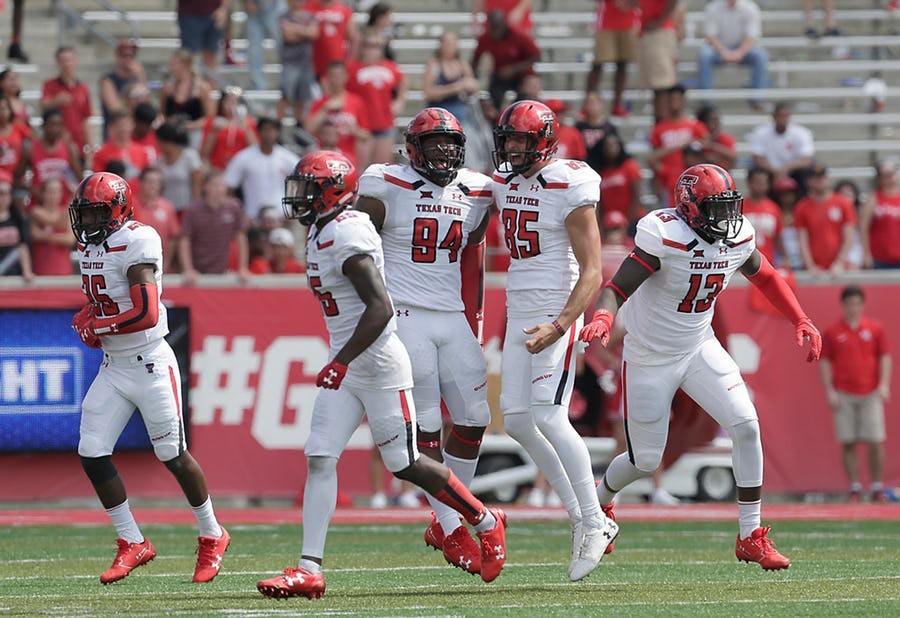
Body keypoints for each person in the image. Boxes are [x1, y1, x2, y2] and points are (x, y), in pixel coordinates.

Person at [256, 150, 507, 598]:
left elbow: (380, 307)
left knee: (405, 463)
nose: (299, 197)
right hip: (351, 363)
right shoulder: (321, 230)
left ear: (332, 191)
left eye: (308, 188)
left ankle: (485, 521)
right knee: (319, 456)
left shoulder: (348, 232)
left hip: (377, 362)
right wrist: (342, 360)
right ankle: (309, 567)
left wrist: (340, 360)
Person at [580, 163, 822, 570]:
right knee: (645, 461)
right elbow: (618, 285)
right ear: (689, 209)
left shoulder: (736, 235)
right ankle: (601, 502)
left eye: (729, 207)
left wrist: (801, 317)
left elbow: (765, 275)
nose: (727, 218)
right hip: (649, 356)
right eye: (715, 208)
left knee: (746, 424)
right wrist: (604, 317)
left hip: (697, 347)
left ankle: (750, 535)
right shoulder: (665, 235)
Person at [68, 172, 229, 584]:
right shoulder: (92, 247)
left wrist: (97, 326)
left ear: (118, 209)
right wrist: (90, 315)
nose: (87, 222)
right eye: (83, 214)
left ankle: (212, 534)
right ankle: (132, 541)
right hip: (115, 367)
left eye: (95, 213)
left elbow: (146, 313)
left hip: (150, 363)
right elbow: (104, 301)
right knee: (91, 449)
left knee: (172, 455)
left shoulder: (139, 239)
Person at [355, 108, 494, 575]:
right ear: (413, 148)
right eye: (434, 144)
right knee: (428, 427)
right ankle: (452, 525)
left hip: (451, 314)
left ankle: (448, 519)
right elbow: (355, 242)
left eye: (451, 145)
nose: (444, 153)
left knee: (476, 417)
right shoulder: (385, 182)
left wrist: (476, 317)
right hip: (405, 314)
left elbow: (474, 253)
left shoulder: (476, 189)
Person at [490, 100, 618, 581]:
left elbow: (593, 271)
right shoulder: (503, 181)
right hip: (519, 308)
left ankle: (594, 520)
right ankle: (582, 515)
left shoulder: (570, 183)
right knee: (519, 421)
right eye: (507, 140)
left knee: (548, 414)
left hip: (554, 308)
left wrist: (562, 324)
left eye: (520, 140)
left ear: (542, 140)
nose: (511, 149)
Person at [819, 286, 891, 502]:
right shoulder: (833, 331)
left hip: (870, 391)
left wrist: (884, 384)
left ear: (862, 305)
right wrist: (830, 390)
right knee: (848, 441)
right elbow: (824, 362)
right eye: (849, 304)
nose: (853, 308)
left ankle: (877, 486)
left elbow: (885, 356)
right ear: (843, 306)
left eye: (857, 303)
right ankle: (855, 487)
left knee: (875, 440)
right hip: (843, 392)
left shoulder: (874, 328)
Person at [347, 29, 407, 165]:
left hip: (385, 123)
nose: (372, 50)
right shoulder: (353, 68)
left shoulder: (391, 67)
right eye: (368, 45)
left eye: (376, 46)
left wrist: (400, 101)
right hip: (363, 126)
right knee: (362, 169)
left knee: (383, 169)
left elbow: (403, 81)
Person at [179, 170, 250, 284]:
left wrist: (242, 267)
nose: (219, 189)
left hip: (224, 270)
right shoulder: (193, 210)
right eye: (215, 185)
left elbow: (241, 238)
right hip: (197, 271)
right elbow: (184, 239)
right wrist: (188, 268)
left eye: (222, 185)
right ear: (205, 187)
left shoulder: (234, 207)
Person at [224, 117, 300, 220]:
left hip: (282, 217)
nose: (269, 133)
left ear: (278, 133)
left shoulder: (288, 158)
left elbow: (302, 184)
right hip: (252, 217)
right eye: (265, 130)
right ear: (258, 132)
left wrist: (294, 211)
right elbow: (229, 186)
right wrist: (238, 215)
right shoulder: (243, 157)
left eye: (272, 130)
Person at [697, 0, 769, 108]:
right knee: (704, 55)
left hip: (743, 49)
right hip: (718, 49)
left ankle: (757, 99)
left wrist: (739, 53)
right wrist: (723, 51)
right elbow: (711, 36)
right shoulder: (712, 7)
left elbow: (752, 37)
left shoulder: (750, 8)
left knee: (761, 55)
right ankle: (707, 101)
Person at [646, 85, 708, 208]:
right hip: (669, 180)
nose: (675, 103)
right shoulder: (659, 128)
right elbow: (653, 157)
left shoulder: (695, 126)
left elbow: (706, 149)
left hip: (694, 180)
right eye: (672, 99)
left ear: (683, 101)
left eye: (678, 99)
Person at [305, 61, 371, 167]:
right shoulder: (320, 103)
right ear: (328, 78)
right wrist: (325, 109)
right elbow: (308, 129)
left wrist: (355, 130)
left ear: (346, 77)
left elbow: (366, 134)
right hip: (323, 156)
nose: (336, 79)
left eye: (339, 75)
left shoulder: (356, 101)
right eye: (332, 75)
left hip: (348, 157)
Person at [471, 10, 540, 111]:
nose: (496, 32)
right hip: (499, 76)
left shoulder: (519, 36)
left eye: (498, 27)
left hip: (522, 75)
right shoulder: (485, 38)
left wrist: (514, 69)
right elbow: (475, 61)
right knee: (492, 97)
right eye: (494, 28)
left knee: (528, 92)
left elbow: (535, 56)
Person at [793, 163, 856, 273]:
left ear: (827, 179)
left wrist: (839, 262)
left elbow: (849, 235)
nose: (820, 181)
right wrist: (810, 265)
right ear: (809, 181)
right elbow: (802, 238)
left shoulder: (843, 203)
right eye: (815, 178)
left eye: (822, 177)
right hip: (815, 267)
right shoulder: (802, 207)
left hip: (838, 266)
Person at [586, 0, 639, 118]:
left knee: (623, 64)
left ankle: (617, 105)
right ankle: (588, 104)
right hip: (606, 20)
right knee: (598, 63)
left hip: (629, 20)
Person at [749, 103, 815, 194]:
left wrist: (786, 168)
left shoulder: (801, 133)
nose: (782, 119)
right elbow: (758, 158)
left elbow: (807, 160)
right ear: (773, 117)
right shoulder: (761, 133)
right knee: (758, 174)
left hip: (793, 171)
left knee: (806, 172)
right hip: (770, 172)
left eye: (785, 116)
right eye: (780, 116)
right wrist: (775, 171)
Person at [40, 47, 93, 161]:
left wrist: (89, 145)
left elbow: (86, 119)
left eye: (69, 59)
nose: (67, 64)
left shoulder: (83, 88)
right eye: (63, 60)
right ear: (58, 63)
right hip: (57, 143)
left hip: (78, 142)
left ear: (75, 61)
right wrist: (56, 101)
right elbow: (43, 105)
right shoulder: (49, 85)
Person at [422, 31, 480, 127]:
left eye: (453, 42)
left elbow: (474, 87)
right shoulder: (434, 65)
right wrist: (455, 88)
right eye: (447, 43)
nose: (450, 46)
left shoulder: (463, 65)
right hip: (439, 116)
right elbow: (428, 93)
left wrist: (469, 86)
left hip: (461, 116)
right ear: (440, 45)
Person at [131, 167, 181, 273]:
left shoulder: (167, 207)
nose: (152, 185)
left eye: (156, 182)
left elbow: (173, 238)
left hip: (162, 266)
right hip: (135, 265)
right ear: (140, 183)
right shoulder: (130, 206)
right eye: (149, 181)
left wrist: (166, 263)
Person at [636, 0, 679, 121]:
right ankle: (659, 124)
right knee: (656, 86)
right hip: (648, 31)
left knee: (662, 85)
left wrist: (660, 20)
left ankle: (664, 124)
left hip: (660, 31)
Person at [200, 86, 258, 171]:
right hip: (218, 168)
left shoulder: (249, 122)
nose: (232, 106)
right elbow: (204, 152)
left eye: (236, 102)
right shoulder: (213, 122)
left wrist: (246, 128)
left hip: (242, 168)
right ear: (221, 103)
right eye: (228, 101)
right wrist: (213, 132)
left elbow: (255, 148)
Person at [99, 40, 148, 141]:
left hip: (135, 135)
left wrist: (141, 77)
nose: (128, 59)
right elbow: (115, 109)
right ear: (117, 57)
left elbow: (146, 105)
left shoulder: (137, 78)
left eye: (132, 55)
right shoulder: (108, 80)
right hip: (115, 136)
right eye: (124, 55)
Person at [278, 0, 319, 121]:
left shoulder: (310, 16)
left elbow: (314, 33)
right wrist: (305, 30)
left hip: (306, 63)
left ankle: (299, 125)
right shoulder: (283, 16)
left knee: (302, 97)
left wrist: (295, 29)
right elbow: (287, 35)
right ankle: (278, 125)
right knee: (286, 95)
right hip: (289, 63)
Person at [594, 133, 643, 226]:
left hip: (632, 220)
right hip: (609, 223)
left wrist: (627, 223)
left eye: (613, 145)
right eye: (607, 146)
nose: (610, 149)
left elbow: (637, 196)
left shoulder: (630, 166)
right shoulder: (600, 172)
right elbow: (600, 203)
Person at [28, 178, 74, 276]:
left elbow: (70, 239)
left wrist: (42, 236)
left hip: (63, 269)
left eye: (57, 191)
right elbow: (56, 222)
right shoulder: (36, 211)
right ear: (42, 193)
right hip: (41, 268)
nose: (54, 195)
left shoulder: (65, 214)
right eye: (50, 191)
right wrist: (72, 200)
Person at [306, 0, 360, 82]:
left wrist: (351, 61)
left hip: (337, 64)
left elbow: (353, 37)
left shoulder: (344, 10)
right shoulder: (309, 7)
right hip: (312, 64)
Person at [859, 160, 900, 269]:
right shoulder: (873, 199)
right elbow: (863, 228)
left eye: (891, 174)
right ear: (879, 178)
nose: (889, 178)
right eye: (885, 175)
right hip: (879, 258)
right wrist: (866, 254)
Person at [742, 167, 786, 266]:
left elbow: (778, 237)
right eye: (757, 182)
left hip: (767, 262)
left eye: (763, 183)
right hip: (742, 264)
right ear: (749, 182)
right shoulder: (739, 207)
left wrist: (784, 257)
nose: (760, 186)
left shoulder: (774, 208)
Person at [91, 111, 151, 180]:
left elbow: (146, 176)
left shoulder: (142, 151)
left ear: (132, 125)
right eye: (120, 125)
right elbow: (97, 179)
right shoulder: (102, 153)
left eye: (126, 124)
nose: (124, 128)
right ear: (112, 127)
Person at [177, 0, 228, 73]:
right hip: (189, 13)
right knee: (189, 56)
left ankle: (210, 83)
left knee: (210, 57)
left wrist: (223, 9)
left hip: (214, 13)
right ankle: (190, 83)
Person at [244, 0, 284, 92]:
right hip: (254, 7)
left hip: (275, 5)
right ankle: (258, 85)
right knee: (254, 50)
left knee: (284, 46)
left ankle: (289, 83)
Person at [576, 92, 619, 175]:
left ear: (601, 104)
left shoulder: (609, 128)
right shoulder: (579, 127)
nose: (592, 106)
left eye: (594, 102)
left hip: (604, 169)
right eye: (589, 103)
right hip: (583, 169)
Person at [0, 172, 32, 280]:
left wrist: (27, 271)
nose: (4, 197)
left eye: (8, 193)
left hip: (14, 276)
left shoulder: (17, 218)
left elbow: (22, 246)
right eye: (1, 193)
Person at [695, 103, 737, 171]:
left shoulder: (725, 138)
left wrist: (711, 145)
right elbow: (691, 162)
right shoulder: (695, 138)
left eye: (717, 119)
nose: (716, 123)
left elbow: (733, 159)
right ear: (702, 122)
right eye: (712, 120)